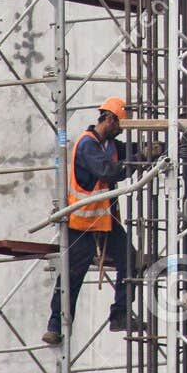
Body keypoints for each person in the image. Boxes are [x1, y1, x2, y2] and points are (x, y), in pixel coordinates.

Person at [45, 96, 134, 345]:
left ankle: (121, 315)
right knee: (73, 274)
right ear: (109, 119)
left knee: (129, 259)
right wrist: (131, 165)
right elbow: (107, 171)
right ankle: (56, 324)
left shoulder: (111, 145)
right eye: (120, 125)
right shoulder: (87, 144)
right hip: (82, 223)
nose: (121, 130)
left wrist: (158, 148)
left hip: (105, 221)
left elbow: (132, 152)